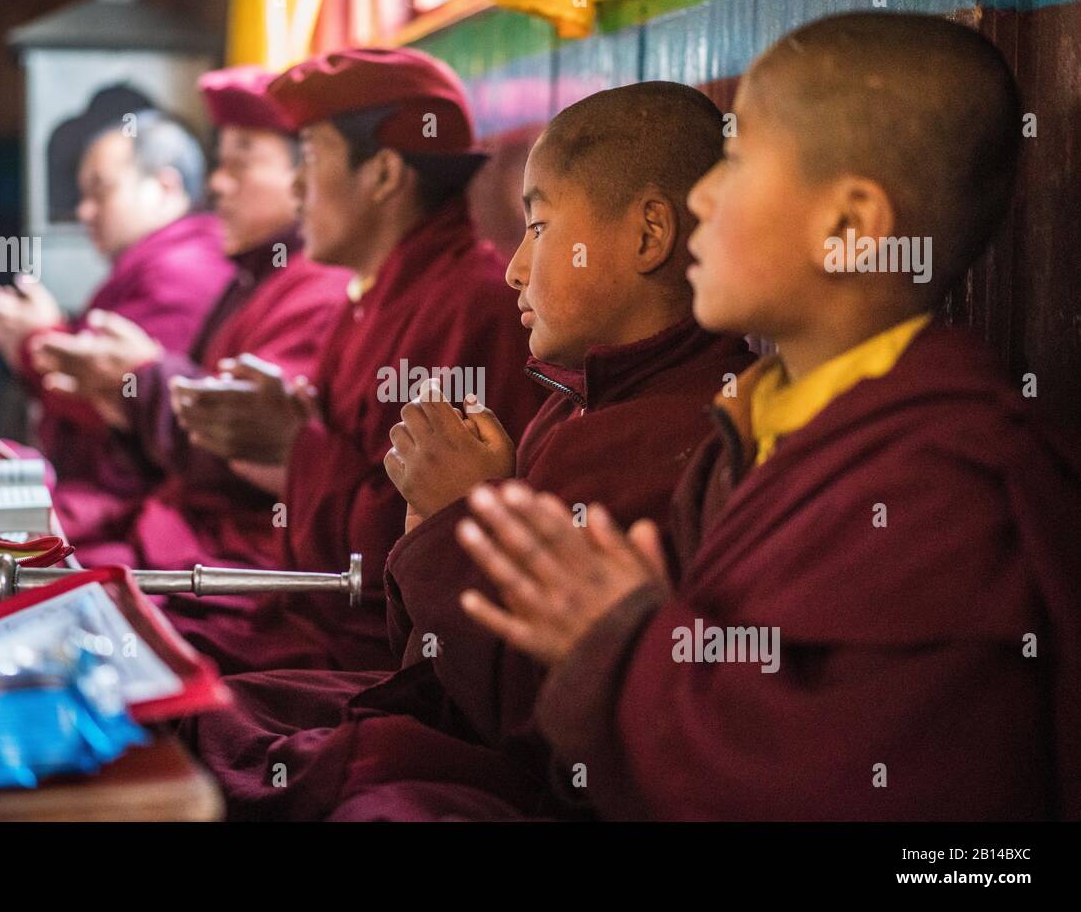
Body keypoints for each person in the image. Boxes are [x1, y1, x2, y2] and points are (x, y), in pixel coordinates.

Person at [454, 12, 1081, 820]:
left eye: (738, 159)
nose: (701, 195)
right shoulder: (751, 422)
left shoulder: (952, 486)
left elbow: (845, 786)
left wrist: (626, 647)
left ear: (850, 227)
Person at [185, 82, 755, 820]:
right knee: (201, 707)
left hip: (533, 772)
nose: (517, 265)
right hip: (441, 708)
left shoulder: (687, 428)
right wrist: (434, 516)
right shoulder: (573, 394)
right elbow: (434, 655)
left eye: (540, 228)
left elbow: (542, 716)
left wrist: (459, 515)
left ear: (649, 235)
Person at [162, 47, 548, 674]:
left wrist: (293, 446)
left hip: (379, 654)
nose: (295, 186)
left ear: (385, 175)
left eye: (310, 157)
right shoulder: (371, 297)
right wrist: (274, 424)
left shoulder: (469, 306)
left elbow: (417, 538)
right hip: (313, 618)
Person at [29, 67, 349, 569]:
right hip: (177, 528)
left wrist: (132, 378)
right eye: (218, 163)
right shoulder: (253, 276)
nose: (217, 184)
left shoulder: (317, 286)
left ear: (309, 172)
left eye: (241, 162)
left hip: (236, 555)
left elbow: (244, 446)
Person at [0, 111, 231, 534]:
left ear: (165, 188)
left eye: (101, 191)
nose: (84, 211)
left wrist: (36, 339)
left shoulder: (185, 271)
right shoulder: (151, 263)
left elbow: (111, 402)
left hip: (134, 512)